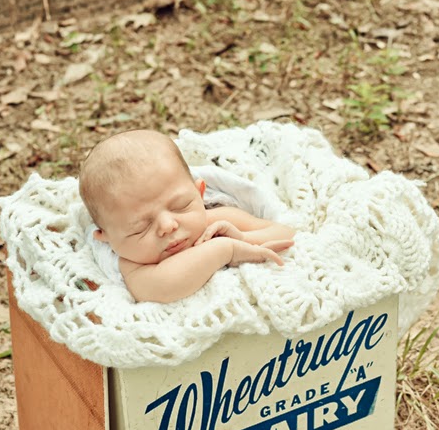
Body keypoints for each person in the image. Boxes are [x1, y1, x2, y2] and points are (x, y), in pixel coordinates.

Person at [79, 129, 295, 303]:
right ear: (105, 236)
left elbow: (286, 234)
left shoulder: (215, 220)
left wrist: (244, 240)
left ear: (200, 194)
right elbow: (165, 285)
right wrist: (225, 249)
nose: (168, 225)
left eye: (180, 206)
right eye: (140, 227)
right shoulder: (129, 264)